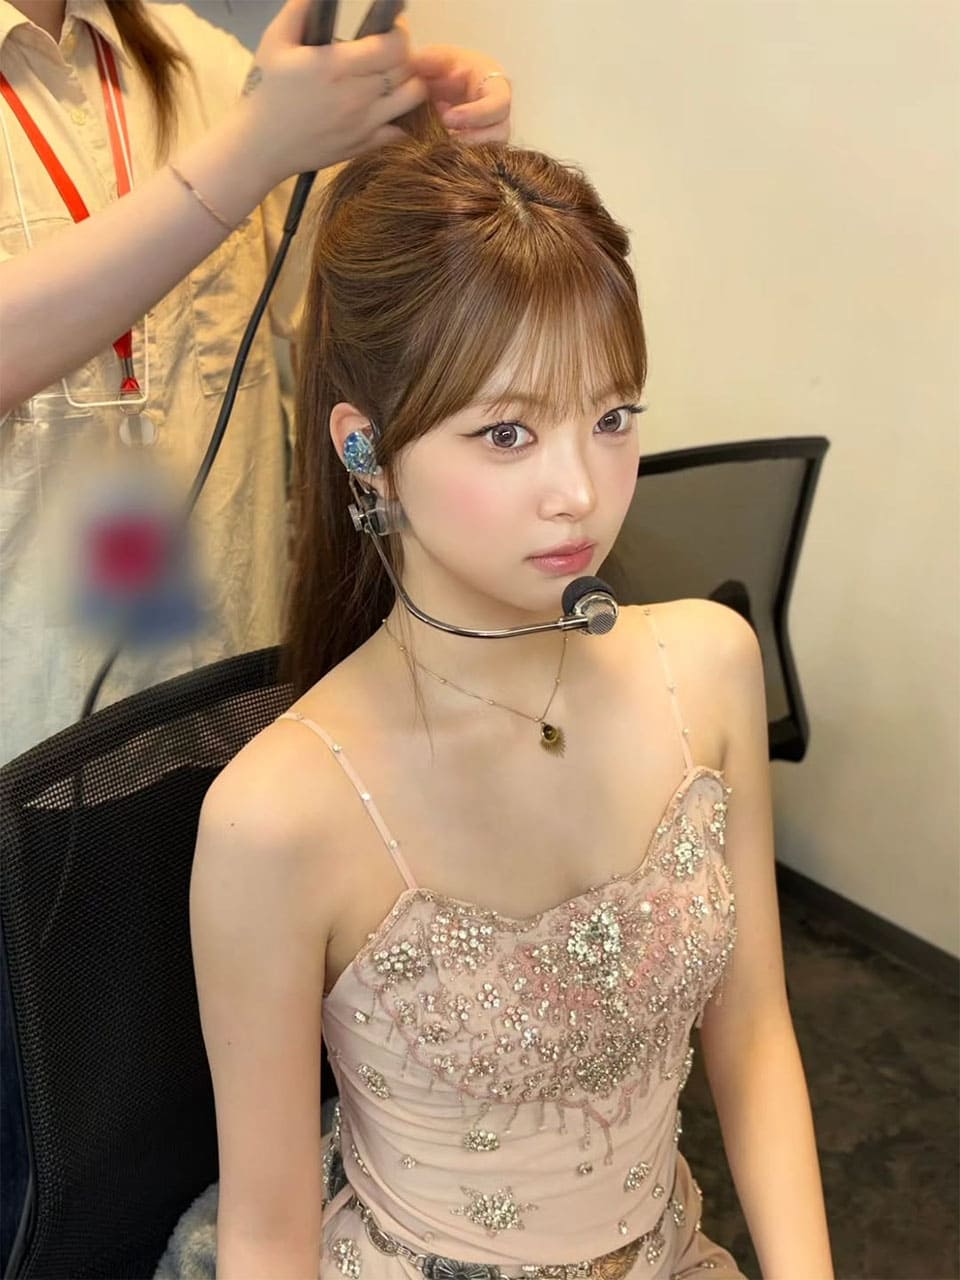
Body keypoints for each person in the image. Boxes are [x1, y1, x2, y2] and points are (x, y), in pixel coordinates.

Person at [159, 118, 835, 1279]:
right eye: (508, 432)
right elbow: (267, 1236)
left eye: (612, 418)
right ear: (366, 449)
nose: (579, 491)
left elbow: (756, 1033)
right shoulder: (279, 812)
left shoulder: (712, 665)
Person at [0, 0, 510, 763]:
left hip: (235, 699)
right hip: (32, 741)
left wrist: (421, 154)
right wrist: (252, 149)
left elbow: (341, 311)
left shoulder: (197, 60)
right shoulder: (239, 105)